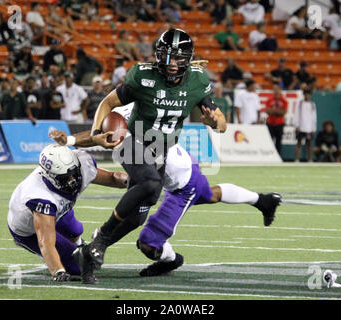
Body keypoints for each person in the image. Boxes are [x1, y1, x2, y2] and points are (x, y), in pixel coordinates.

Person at [54, 28, 227, 284]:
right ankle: (102, 237)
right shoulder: (142, 76)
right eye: (164, 56)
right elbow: (107, 103)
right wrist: (96, 132)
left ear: (187, 58)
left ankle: (87, 254)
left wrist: (215, 122)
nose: (168, 64)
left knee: (138, 216)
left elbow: (221, 122)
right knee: (151, 184)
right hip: (131, 141)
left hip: (160, 151)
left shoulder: (198, 81)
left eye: (176, 58)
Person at [134, 143, 281, 276]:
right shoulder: (134, 125)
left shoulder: (125, 130)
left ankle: (171, 260)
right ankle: (262, 201)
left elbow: (149, 187)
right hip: (184, 161)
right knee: (210, 195)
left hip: (181, 182)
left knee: (148, 241)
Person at [7, 143, 127, 282]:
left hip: (59, 210)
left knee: (75, 230)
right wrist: (58, 272)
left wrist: (135, 182)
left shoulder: (81, 165)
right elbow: (46, 243)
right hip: (29, 229)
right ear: (50, 176)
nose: (72, 180)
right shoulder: (40, 197)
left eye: (73, 173)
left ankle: (78, 245)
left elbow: (112, 177)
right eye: (65, 178)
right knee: (80, 266)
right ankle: (65, 256)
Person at [294, 89, 317, 162]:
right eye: (306, 94)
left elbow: (314, 117)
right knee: (299, 143)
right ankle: (297, 159)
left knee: (309, 144)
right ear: (303, 95)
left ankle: (310, 159)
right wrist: (297, 125)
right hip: (301, 127)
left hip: (309, 128)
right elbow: (296, 114)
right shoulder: (299, 103)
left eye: (308, 94)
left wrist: (313, 128)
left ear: (310, 95)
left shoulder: (312, 104)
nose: (307, 96)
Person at [264, 84, 288, 155]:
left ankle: (278, 155)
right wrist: (277, 111)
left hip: (280, 123)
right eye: (274, 90)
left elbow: (283, 112)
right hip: (270, 122)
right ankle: (269, 155)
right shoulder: (269, 99)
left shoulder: (284, 101)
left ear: (280, 90)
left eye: (277, 90)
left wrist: (273, 111)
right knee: (269, 140)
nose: (276, 91)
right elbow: (268, 111)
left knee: (278, 141)